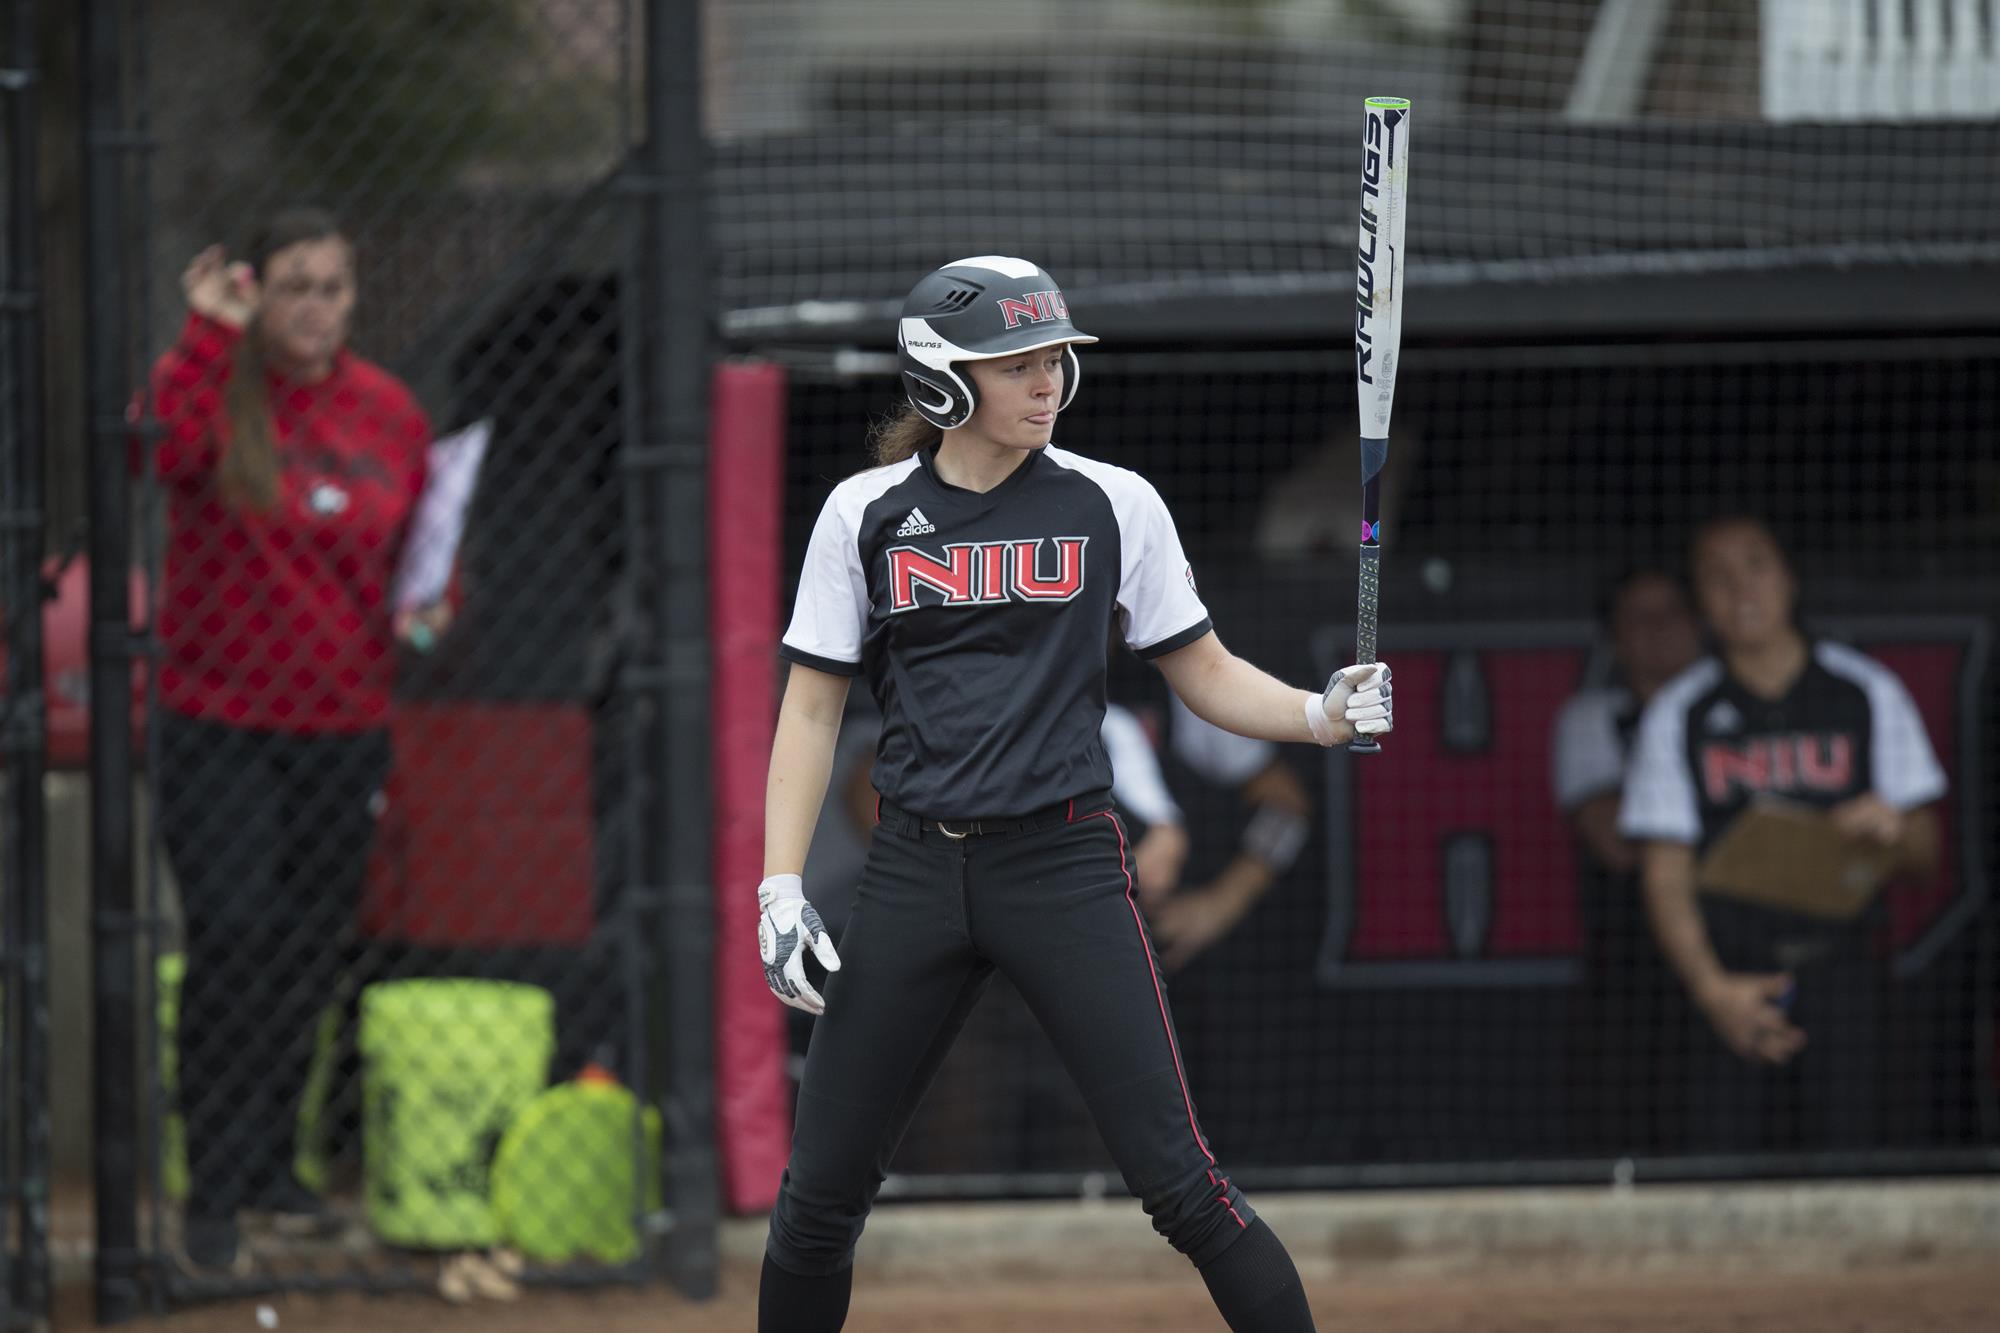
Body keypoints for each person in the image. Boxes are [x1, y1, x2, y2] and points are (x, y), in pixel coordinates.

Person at [755, 256, 1392, 1333]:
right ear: (943, 379)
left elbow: (1201, 671)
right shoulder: (862, 512)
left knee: (1181, 1184)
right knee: (817, 1201)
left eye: (1054, 358)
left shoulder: (1112, 502)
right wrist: (779, 890)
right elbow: (810, 711)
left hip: (1060, 865)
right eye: (1017, 362)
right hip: (911, 867)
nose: (1046, 380)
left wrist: (1318, 713)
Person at [145, 209, 450, 1270]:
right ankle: (213, 1192)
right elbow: (163, 452)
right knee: (229, 937)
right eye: (294, 288)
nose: (316, 308)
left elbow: (421, 551)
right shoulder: (215, 388)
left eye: (332, 286)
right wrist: (206, 337)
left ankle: (275, 1165)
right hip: (218, 725)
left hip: (343, 728)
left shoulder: (388, 413)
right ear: (252, 293)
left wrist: (433, 605)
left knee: (304, 956)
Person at [1619, 516, 1945, 1151]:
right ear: (1700, 602)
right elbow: (1665, 872)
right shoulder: (1678, 712)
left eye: (1755, 565)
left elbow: (1928, 855)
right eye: (1716, 576)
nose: (1740, 588)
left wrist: (1893, 827)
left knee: (1853, 1166)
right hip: (1730, 976)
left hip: (1842, 970)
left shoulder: (1866, 691)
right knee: (1720, 1177)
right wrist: (1713, 991)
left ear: (1790, 578)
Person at [1549, 566, 1702, 1151]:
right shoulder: (1593, 717)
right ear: (1614, 636)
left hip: (1738, 945)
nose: (1659, 632)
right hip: (1632, 965)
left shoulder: (1733, 711)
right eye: (1640, 619)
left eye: (1672, 615)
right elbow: (1615, 842)